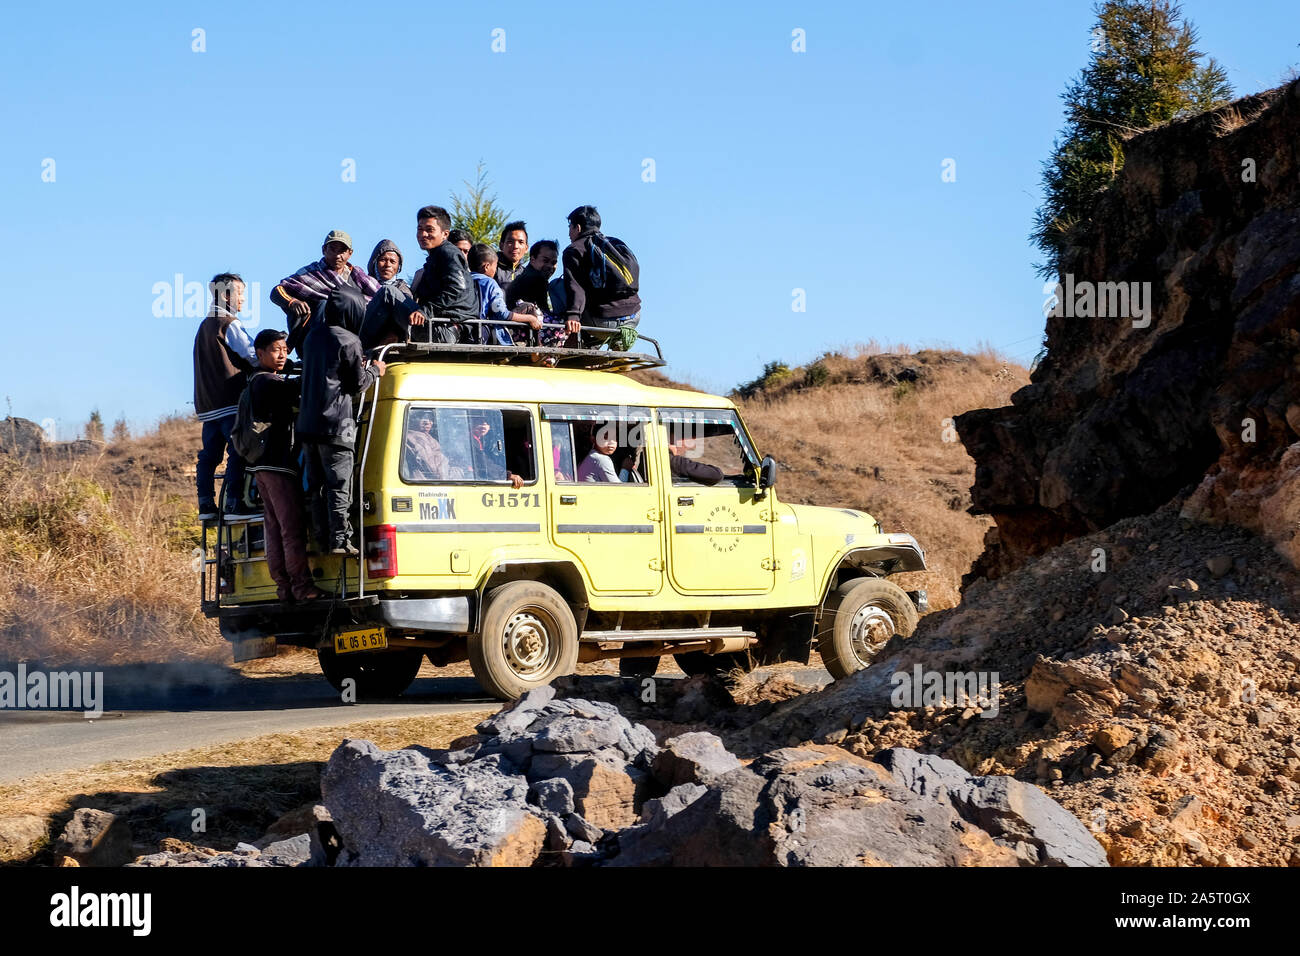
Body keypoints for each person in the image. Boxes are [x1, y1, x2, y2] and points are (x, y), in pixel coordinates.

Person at [297, 287, 386, 555]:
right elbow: (357, 383)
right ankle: (340, 540)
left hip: (308, 425)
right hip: (337, 425)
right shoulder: (349, 340)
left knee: (315, 487)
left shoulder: (313, 336)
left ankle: (320, 538)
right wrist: (375, 370)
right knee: (339, 484)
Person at [245, 329, 325, 602]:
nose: (283, 355)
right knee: (290, 529)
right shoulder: (267, 382)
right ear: (260, 354)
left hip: (262, 467)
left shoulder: (257, 380)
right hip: (277, 466)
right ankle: (301, 588)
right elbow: (298, 387)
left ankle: (284, 589)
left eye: (285, 349)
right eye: (276, 350)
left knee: (274, 528)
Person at [194, 272, 258, 518]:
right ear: (226, 295)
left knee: (209, 455)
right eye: (241, 294)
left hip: (207, 405)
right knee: (238, 451)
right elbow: (251, 353)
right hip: (230, 402)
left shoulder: (204, 325)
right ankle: (234, 502)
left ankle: (206, 504)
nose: (242, 300)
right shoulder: (228, 323)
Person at [272, 230, 380, 353]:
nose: (337, 255)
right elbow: (277, 291)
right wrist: (292, 302)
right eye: (333, 249)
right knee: (324, 304)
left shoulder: (358, 277)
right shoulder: (310, 273)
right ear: (324, 250)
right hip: (313, 343)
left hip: (351, 344)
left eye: (342, 251)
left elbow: (377, 299)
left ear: (350, 253)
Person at [561, 205, 642, 350]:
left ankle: (575, 339)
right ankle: (618, 344)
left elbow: (575, 288)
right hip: (634, 316)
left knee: (558, 286)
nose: (569, 233)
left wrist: (573, 316)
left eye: (570, 227)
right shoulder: (616, 243)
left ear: (577, 228)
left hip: (602, 323)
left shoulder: (574, 250)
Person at [410, 206, 479, 343]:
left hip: (445, 330)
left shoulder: (448, 253)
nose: (423, 234)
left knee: (390, 294)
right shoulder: (435, 256)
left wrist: (426, 311)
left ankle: (360, 349)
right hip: (439, 326)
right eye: (420, 229)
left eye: (429, 230)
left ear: (445, 234)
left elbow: (457, 288)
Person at [468, 243, 544, 346]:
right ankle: (536, 349)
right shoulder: (490, 283)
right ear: (486, 266)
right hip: (482, 334)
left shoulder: (464, 280)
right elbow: (502, 313)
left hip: (465, 330)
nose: (495, 271)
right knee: (529, 307)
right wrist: (530, 318)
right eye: (495, 266)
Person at [360, 239, 416, 349]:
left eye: (392, 261)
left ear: (398, 266)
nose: (387, 265)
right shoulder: (362, 284)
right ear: (374, 263)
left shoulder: (403, 289)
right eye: (383, 260)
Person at [404, 413, 462, 480]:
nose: (428, 422)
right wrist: (459, 471)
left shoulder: (427, 437)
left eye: (430, 419)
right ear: (411, 419)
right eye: (423, 417)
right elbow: (436, 471)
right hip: (426, 483)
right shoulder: (415, 438)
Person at [495, 220, 530, 288]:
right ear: (501, 246)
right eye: (510, 241)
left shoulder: (527, 276)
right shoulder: (491, 268)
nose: (515, 246)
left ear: (526, 248)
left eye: (521, 242)